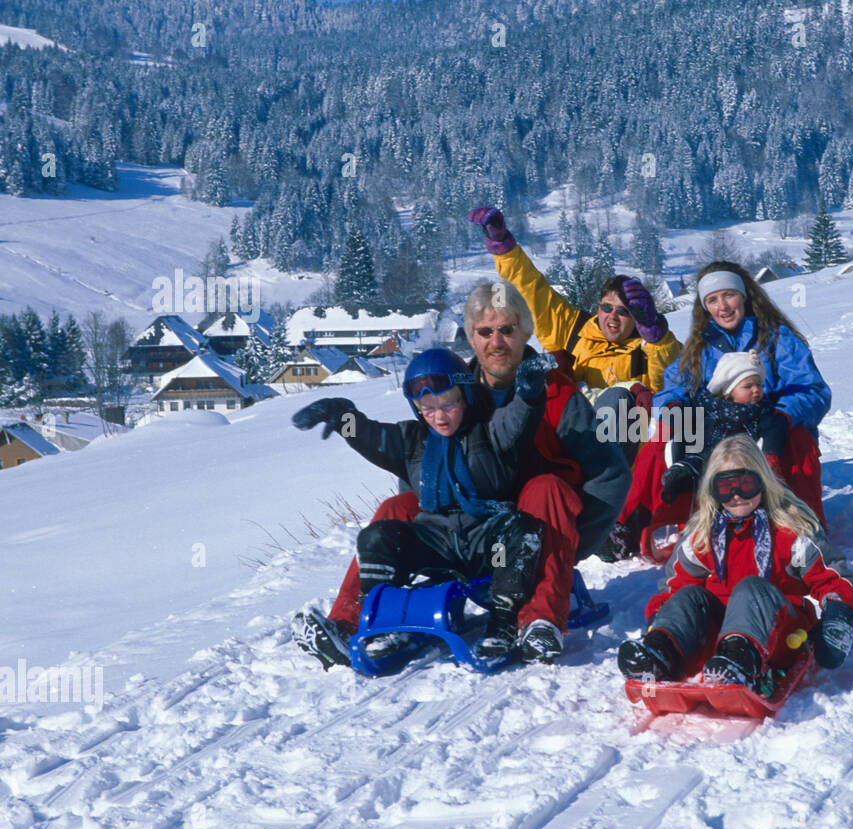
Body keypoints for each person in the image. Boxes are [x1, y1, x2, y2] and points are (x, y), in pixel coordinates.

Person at [296, 279, 631, 668]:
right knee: (397, 506)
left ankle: (539, 618)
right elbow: (421, 455)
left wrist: (577, 542)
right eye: (485, 332)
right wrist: (347, 424)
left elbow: (610, 474)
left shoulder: (556, 394)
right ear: (471, 339)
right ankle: (350, 621)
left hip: (536, 529)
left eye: (507, 329)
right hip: (467, 528)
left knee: (545, 489)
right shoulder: (451, 387)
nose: (496, 342)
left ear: (525, 332)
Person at [290, 348, 551, 666]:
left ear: (465, 396)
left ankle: (504, 623)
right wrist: (345, 417)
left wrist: (530, 392)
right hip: (437, 546)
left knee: (519, 529)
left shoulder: (491, 430)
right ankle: (384, 624)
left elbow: (521, 418)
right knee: (377, 536)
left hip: (488, 543)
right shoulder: (412, 439)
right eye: (427, 408)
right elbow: (373, 437)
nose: (439, 416)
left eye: (447, 405)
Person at [603, 261, 833, 559]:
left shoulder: (778, 340)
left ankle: (807, 527)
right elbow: (673, 388)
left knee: (797, 437)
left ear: (745, 296)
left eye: (729, 296)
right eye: (712, 300)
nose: (722, 306)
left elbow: (813, 390)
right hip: (717, 430)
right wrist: (673, 408)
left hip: (768, 425)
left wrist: (782, 413)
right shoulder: (700, 348)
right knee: (663, 435)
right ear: (704, 306)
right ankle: (631, 524)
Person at [617, 435, 853, 691]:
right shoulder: (703, 535)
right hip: (717, 636)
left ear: (763, 481)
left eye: (745, 484)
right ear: (712, 490)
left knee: (750, 588)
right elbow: (676, 587)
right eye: (725, 488)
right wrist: (662, 622)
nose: (736, 496)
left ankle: (740, 659)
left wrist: (838, 617)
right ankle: (660, 652)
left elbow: (833, 577)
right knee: (689, 594)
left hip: (777, 631)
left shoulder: (790, 529)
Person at [467, 205, 682, 463]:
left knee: (617, 398)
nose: (612, 317)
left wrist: (656, 334)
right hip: (570, 441)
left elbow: (672, 378)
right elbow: (533, 292)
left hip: (626, 461)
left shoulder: (648, 349)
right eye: (606, 308)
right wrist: (503, 246)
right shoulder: (576, 331)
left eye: (623, 312)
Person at [658, 350, 782, 505]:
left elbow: (775, 429)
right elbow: (683, 410)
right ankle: (677, 482)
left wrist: (771, 455)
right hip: (702, 455)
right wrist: (672, 416)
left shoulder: (762, 412)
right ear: (728, 390)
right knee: (694, 463)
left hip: (741, 461)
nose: (756, 390)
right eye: (748, 386)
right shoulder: (707, 405)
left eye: (759, 385)